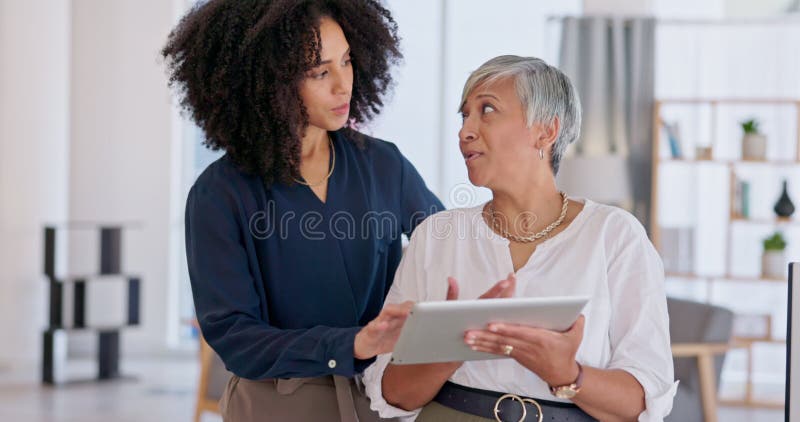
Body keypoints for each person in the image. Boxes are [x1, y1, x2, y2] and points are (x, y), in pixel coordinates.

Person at [161, 1, 443, 421]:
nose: (343, 85)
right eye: (320, 72)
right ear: (267, 82)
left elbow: (446, 254)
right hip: (277, 403)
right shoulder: (219, 195)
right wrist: (351, 345)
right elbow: (236, 337)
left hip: (383, 400)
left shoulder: (384, 166)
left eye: (346, 61)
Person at [363, 55, 677, 421]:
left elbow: (645, 401)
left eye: (487, 110)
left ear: (545, 131)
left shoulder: (615, 236)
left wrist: (567, 375)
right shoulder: (436, 235)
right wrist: (451, 345)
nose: (465, 131)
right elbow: (391, 393)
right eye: (465, 115)